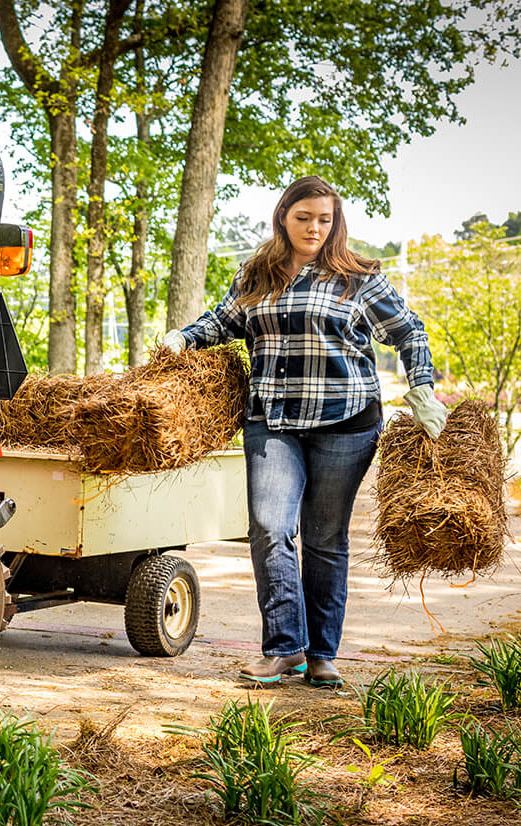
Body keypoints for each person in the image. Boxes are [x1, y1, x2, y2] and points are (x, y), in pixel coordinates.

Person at [162, 176, 446, 688]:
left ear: (335, 223)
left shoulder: (357, 277)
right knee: (270, 528)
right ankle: (284, 649)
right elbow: (223, 322)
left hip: (346, 423)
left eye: (324, 219)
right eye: (303, 217)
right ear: (283, 216)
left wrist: (422, 387)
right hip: (272, 421)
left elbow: (409, 330)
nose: (314, 228)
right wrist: (183, 338)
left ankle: (322, 654)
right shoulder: (256, 272)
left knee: (324, 539)